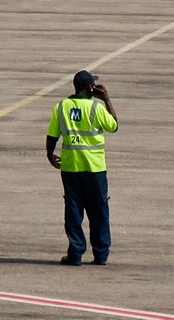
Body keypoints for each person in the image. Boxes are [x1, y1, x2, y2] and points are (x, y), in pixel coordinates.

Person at [46, 70, 118, 265]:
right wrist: (106, 99)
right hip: (94, 169)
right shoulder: (96, 108)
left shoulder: (61, 107)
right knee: (99, 211)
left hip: (71, 168)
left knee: (73, 210)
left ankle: (76, 253)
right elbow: (113, 126)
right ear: (90, 88)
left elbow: (53, 135)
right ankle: (101, 254)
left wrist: (50, 154)